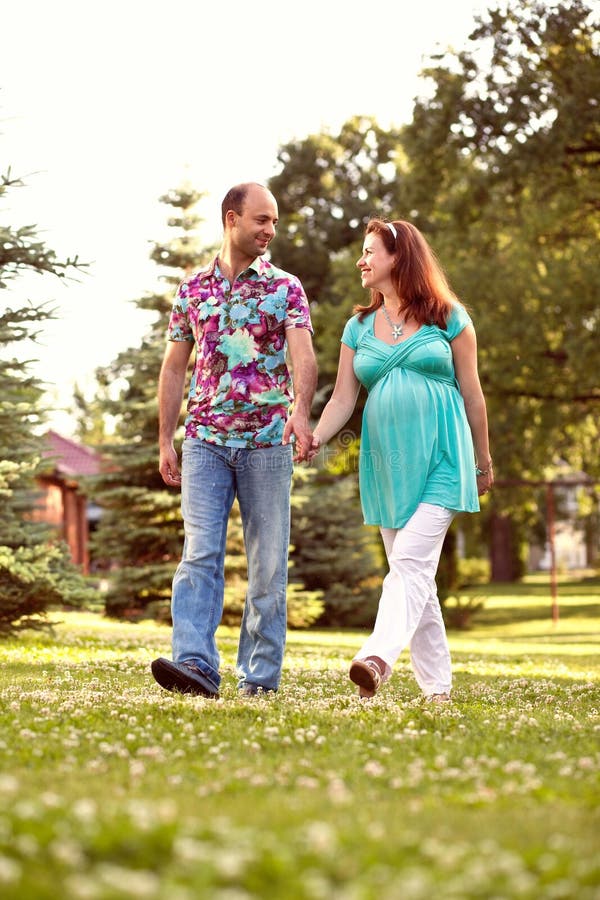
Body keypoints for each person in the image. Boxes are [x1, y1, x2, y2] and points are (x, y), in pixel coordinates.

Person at [309, 218, 493, 703]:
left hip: (444, 458)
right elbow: (343, 400)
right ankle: (438, 691)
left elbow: (473, 394)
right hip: (386, 465)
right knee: (417, 578)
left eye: (370, 251)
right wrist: (314, 438)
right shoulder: (358, 327)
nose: (361, 260)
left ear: (398, 257)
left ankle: (376, 658)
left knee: (409, 563)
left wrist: (484, 458)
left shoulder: (449, 317)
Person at [151, 182, 317, 699]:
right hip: (203, 440)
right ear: (231, 219)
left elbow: (304, 358)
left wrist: (302, 414)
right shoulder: (193, 289)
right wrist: (165, 439)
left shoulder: (285, 287)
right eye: (261, 220)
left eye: (274, 222)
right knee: (199, 553)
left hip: (268, 440)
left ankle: (260, 679)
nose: (270, 230)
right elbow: (174, 368)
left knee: (267, 564)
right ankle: (196, 665)